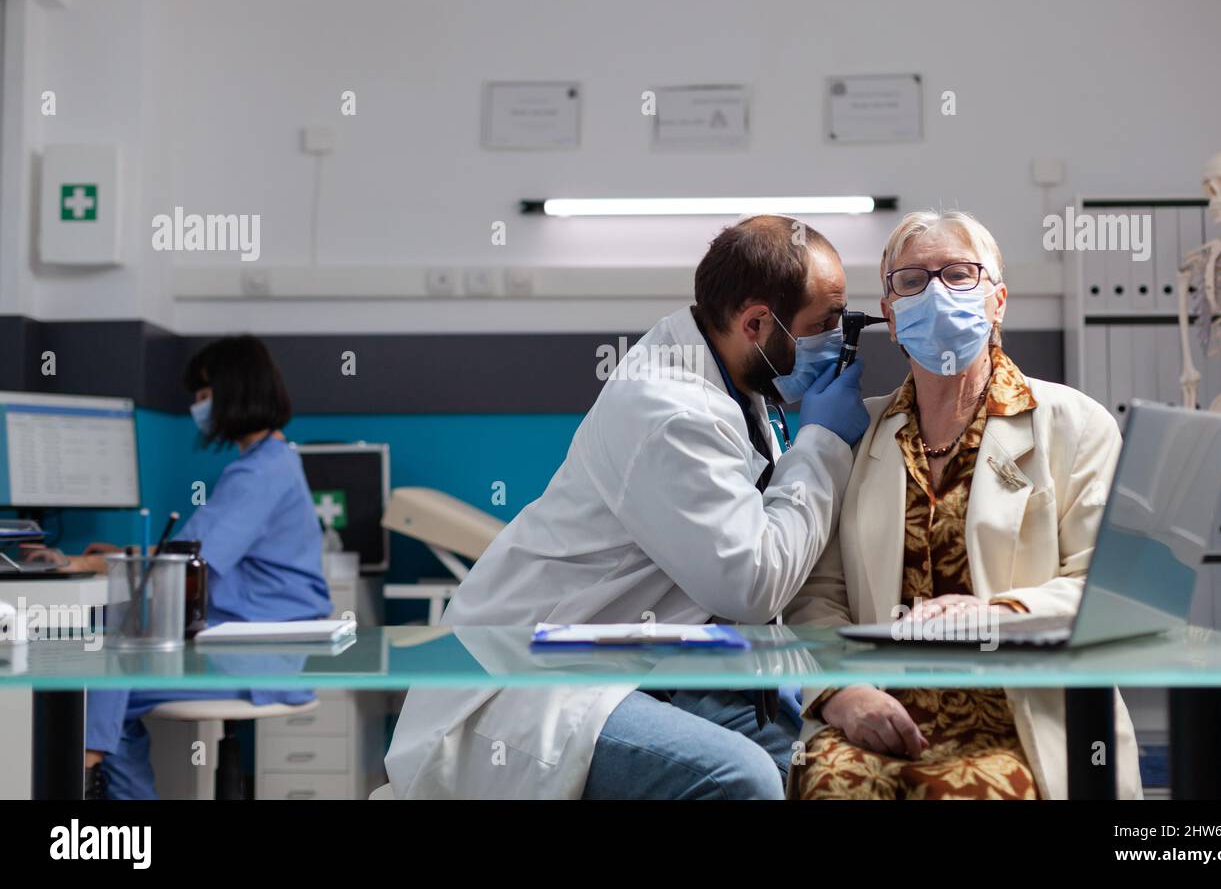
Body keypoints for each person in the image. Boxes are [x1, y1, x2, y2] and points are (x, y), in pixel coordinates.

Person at [387, 215, 871, 799]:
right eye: (822, 327)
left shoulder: (737, 384)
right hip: (534, 685)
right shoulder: (670, 410)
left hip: (645, 671)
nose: (837, 344)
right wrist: (822, 445)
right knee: (740, 779)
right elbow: (753, 581)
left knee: (830, 764)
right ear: (756, 323)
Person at [786, 209, 1142, 799]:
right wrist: (842, 693)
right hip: (879, 710)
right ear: (892, 319)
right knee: (830, 781)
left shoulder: (1073, 425)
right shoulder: (859, 431)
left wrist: (996, 612)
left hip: (1019, 718)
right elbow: (818, 597)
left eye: (958, 274)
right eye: (911, 281)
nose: (935, 292)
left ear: (997, 301)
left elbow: (1107, 591)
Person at [61, 335, 332, 799]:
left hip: (262, 653)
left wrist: (85, 562)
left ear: (236, 391)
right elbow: (193, 551)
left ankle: (96, 783)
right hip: (260, 643)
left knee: (95, 684)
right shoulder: (272, 462)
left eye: (205, 396)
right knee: (106, 681)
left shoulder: (259, 473)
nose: (198, 408)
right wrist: (124, 557)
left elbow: (186, 562)